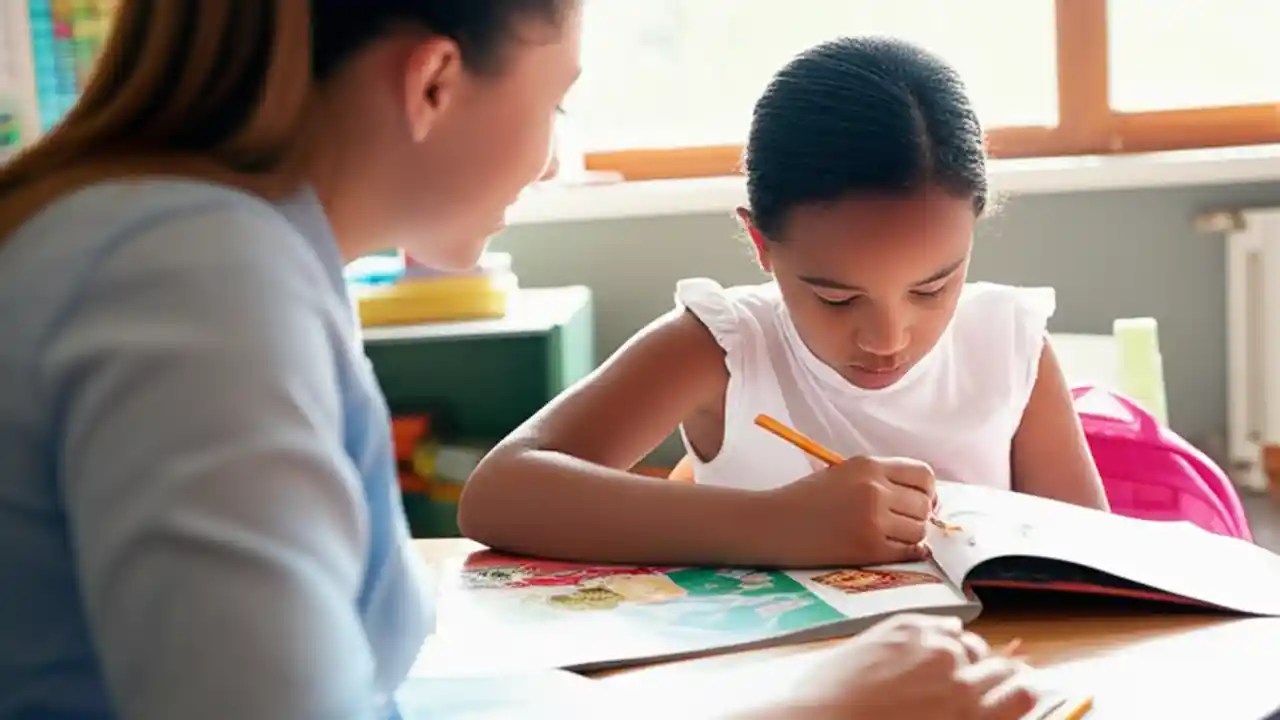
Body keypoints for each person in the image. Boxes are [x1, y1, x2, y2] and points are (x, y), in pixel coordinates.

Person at [0, 2, 1036, 718]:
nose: (548, 154)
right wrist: (794, 705)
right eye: (558, 97)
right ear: (435, 80)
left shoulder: (208, 250)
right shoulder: (201, 281)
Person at [460, 36, 1109, 569]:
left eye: (933, 287)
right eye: (835, 297)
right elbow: (500, 494)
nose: (887, 337)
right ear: (761, 244)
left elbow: (1106, 561)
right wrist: (779, 525)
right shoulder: (725, 347)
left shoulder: (1008, 343)